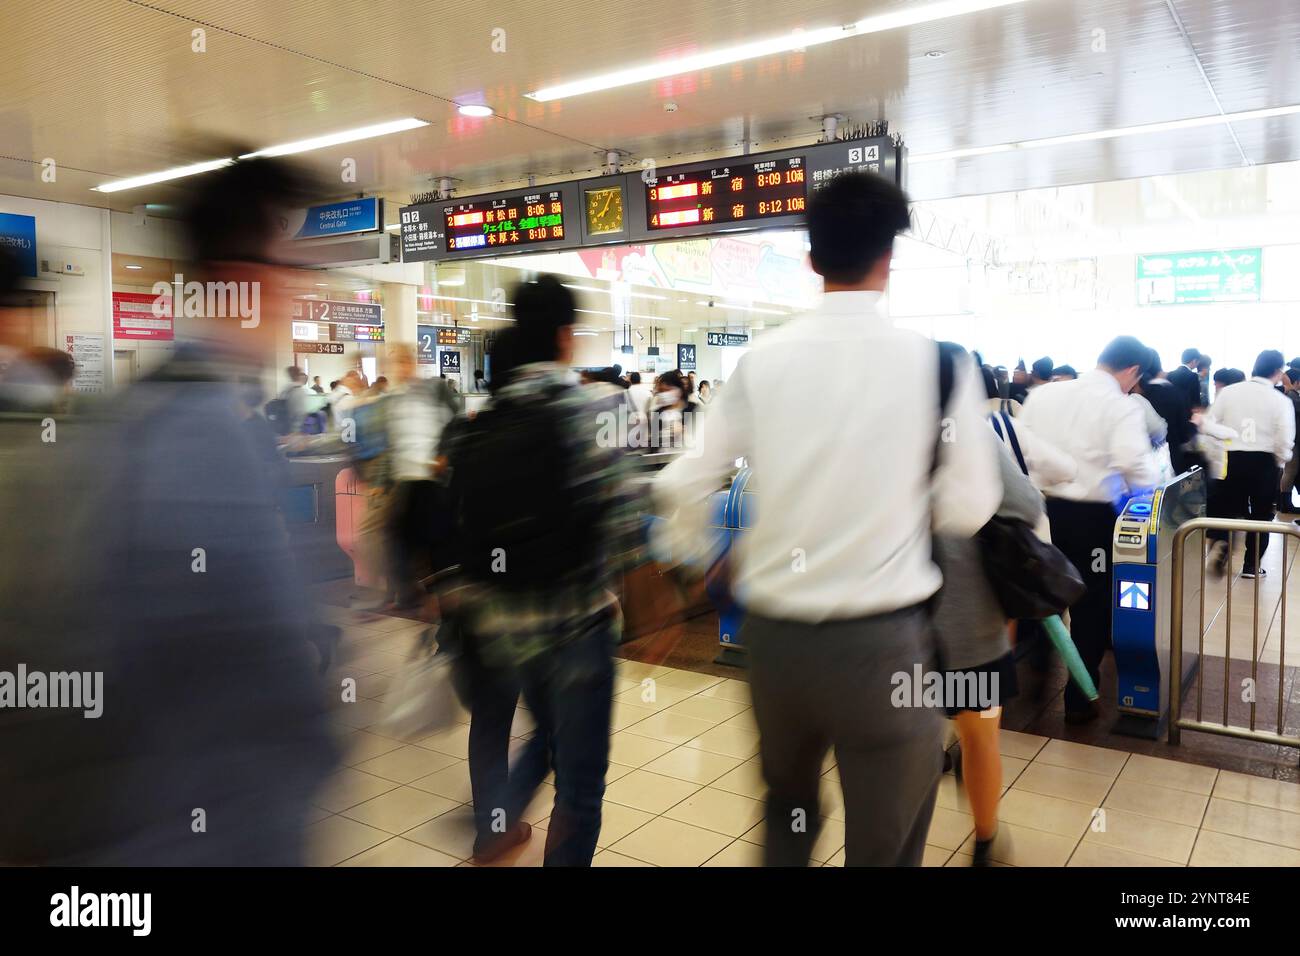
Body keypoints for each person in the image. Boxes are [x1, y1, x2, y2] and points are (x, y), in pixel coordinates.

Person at [653, 172, 1001, 866]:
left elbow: (682, 481)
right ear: (889, 259)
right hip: (886, 646)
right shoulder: (940, 366)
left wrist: (696, 563)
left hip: (776, 644)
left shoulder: (762, 361)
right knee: (886, 835)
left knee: (786, 817)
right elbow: (970, 507)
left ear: (812, 260)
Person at [0, 157, 336, 865]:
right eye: (291, 265)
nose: (300, 288)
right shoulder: (204, 427)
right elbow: (271, 677)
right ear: (243, 276)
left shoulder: (131, 413)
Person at [440, 275, 640, 867]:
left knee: (549, 740)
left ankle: (495, 824)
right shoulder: (588, 408)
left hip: (506, 629)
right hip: (576, 625)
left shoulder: (484, 419)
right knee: (580, 781)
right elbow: (625, 518)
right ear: (563, 335)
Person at [933, 344, 1044, 866]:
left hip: (892, 623)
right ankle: (984, 840)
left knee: (904, 721)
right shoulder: (970, 432)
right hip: (966, 621)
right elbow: (1025, 502)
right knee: (979, 736)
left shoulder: (866, 437)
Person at [1018, 336, 1159, 723]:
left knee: (1039, 592)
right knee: (1089, 606)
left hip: (1037, 511)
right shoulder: (1119, 404)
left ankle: (1036, 669)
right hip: (1091, 519)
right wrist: (1149, 495)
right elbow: (1136, 465)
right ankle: (1080, 697)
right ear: (1131, 371)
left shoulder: (1044, 395)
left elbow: (1019, 448)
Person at [1204, 350, 1295, 578]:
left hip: (1232, 458)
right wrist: (1281, 460)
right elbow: (1284, 438)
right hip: (1265, 462)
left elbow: (1210, 423)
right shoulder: (1280, 399)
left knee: (1229, 508)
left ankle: (1223, 543)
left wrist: (1225, 441)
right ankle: (1251, 566)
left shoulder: (1230, 392)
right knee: (1261, 516)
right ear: (1277, 372)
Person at [1138, 349, 1194, 474]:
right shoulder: (1174, 393)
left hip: (1141, 464)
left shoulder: (1132, 396)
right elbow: (1184, 434)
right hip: (1172, 459)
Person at [1279, 368, 1300, 514]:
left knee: (1290, 471)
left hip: (1292, 438)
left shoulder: (1291, 395)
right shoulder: (1292, 395)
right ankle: (1284, 503)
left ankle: (1285, 503)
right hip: (1294, 440)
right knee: (1290, 471)